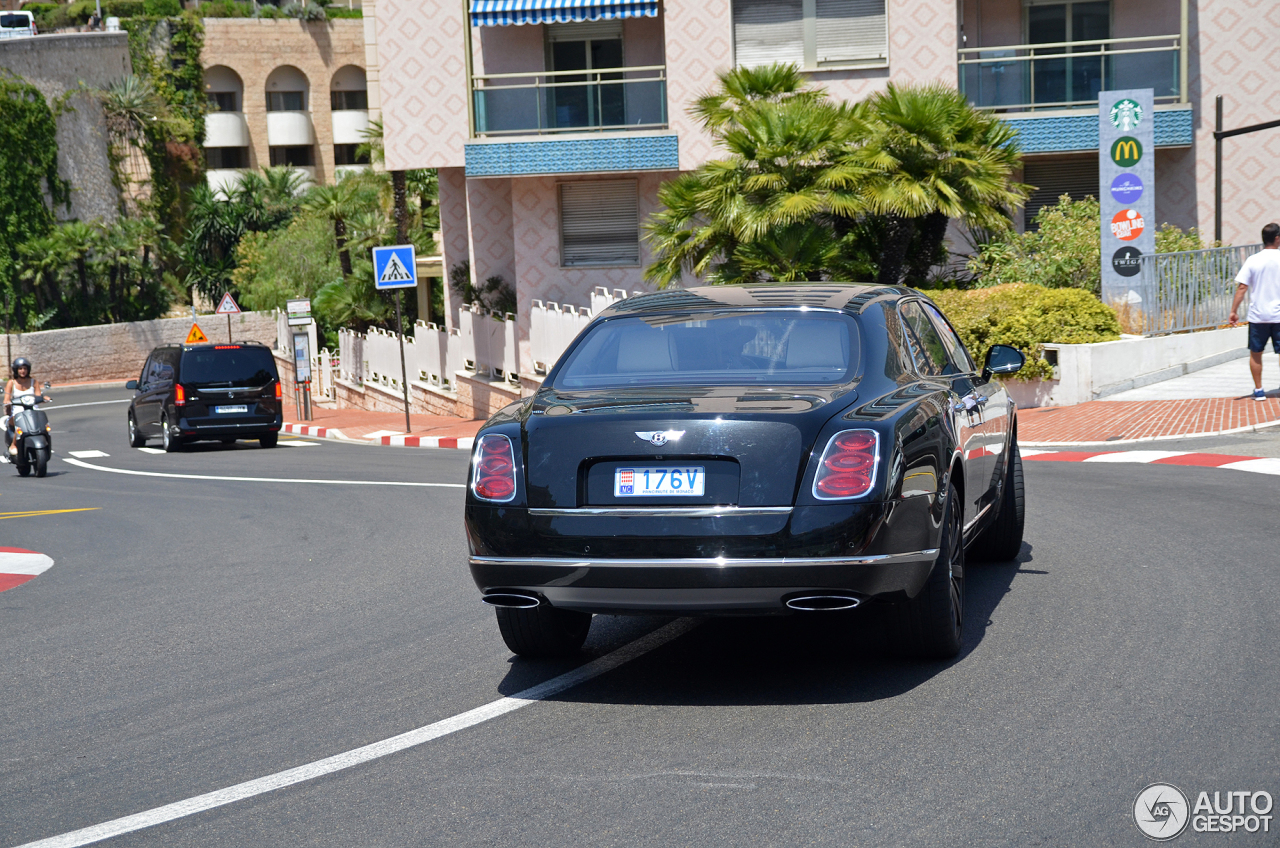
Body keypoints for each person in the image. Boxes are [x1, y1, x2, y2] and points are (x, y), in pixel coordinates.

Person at [1230, 222, 1280, 400]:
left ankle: (1259, 390)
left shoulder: (1253, 260)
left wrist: (1233, 311)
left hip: (1258, 316)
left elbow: (1242, 287)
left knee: (1256, 353)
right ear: (1276, 238)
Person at [3, 357, 52, 457]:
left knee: (44, 423)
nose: (23, 371)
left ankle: (46, 441)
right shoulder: (11, 382)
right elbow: (6, 398)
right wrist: (7, 402)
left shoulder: (34, 382)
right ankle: (14, 444)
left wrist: (44, 398)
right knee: (19, 422)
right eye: (20, 368)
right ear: (16, 370)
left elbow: (38, 396)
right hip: (18, 410)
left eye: (25, 368)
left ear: (28, 369)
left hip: (32, 409)